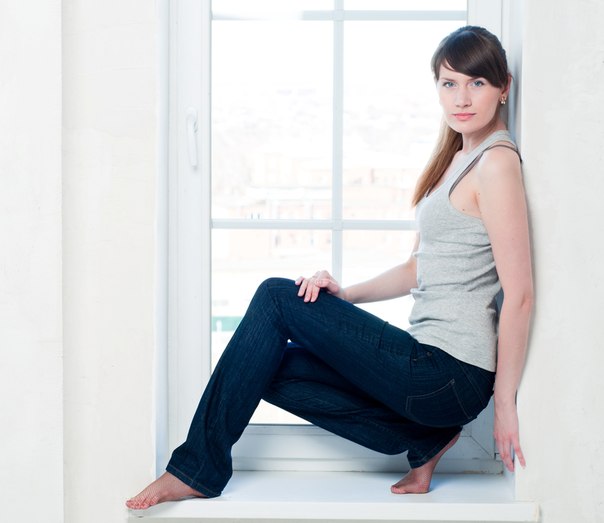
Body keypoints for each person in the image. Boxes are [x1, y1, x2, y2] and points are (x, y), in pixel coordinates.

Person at [126, 25, 533, 509]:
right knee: (260, 362)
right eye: (450, 83)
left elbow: (520, 294)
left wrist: (504, 403)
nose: (461, 98)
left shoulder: (496, 163)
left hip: (450, 374)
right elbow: (416, 269)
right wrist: (345, 295)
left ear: (503, 86)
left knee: (276, 297)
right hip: (427, 371)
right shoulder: (457, 160)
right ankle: (424, 437)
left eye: (477, 83)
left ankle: (197, 468)